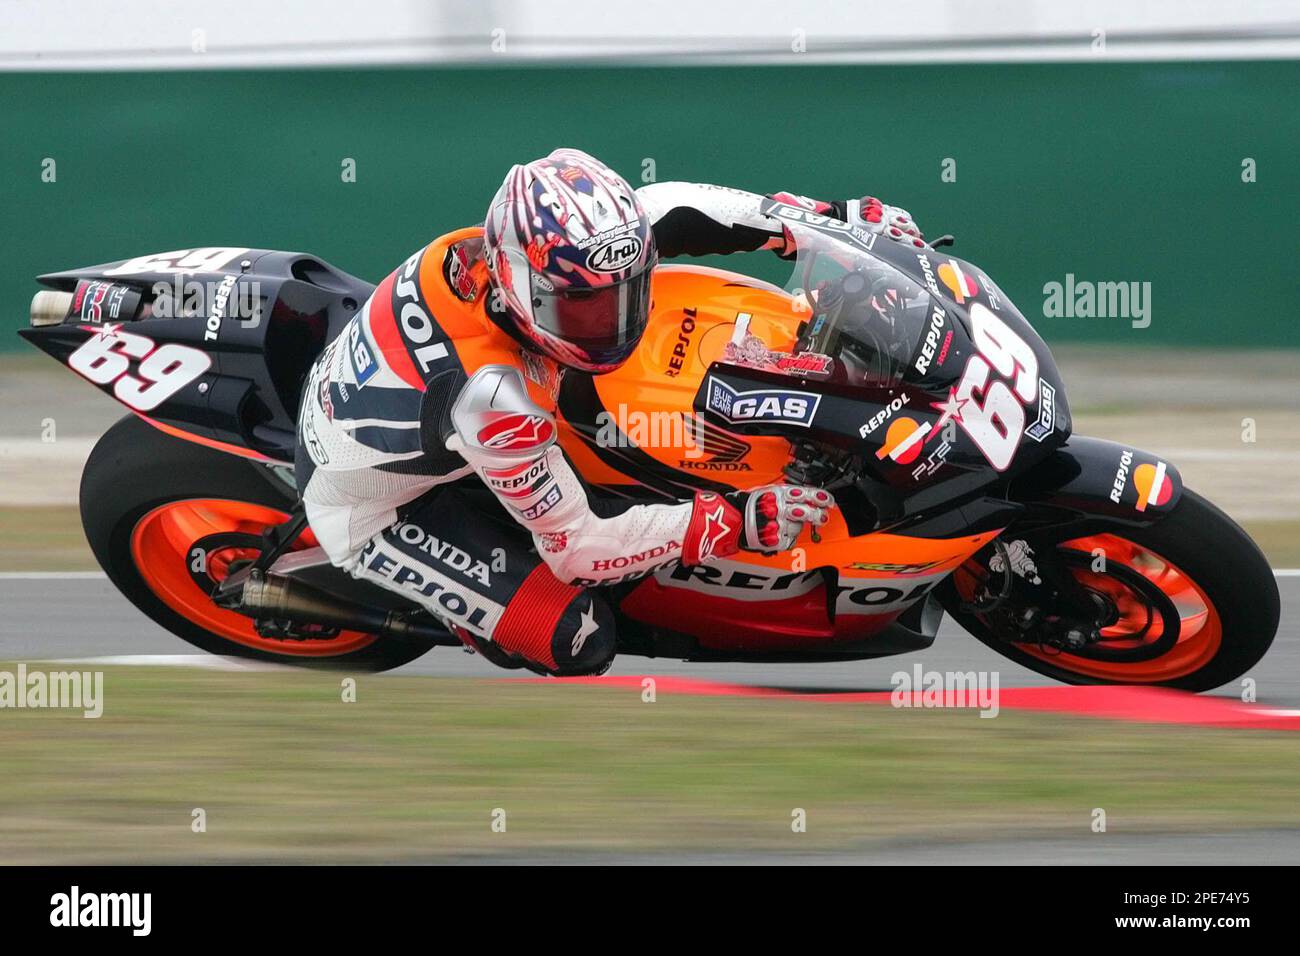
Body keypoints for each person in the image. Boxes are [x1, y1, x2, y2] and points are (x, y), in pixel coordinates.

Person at [295, 148, 923, 675]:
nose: (615, 323)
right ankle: (470, 615)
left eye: (629, 292)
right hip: (379, 506)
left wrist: (829, 224)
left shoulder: (556, 252)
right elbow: (577, 548)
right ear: (521, 287)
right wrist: (736, 520)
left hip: (425, 411)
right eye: (585, 310)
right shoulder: (493, 396)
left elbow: (677, 203)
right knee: (581, 638)